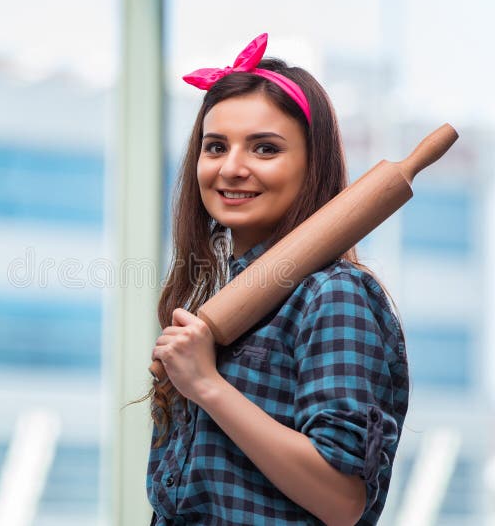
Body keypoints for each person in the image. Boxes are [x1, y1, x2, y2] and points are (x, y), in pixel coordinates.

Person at [146, 33, 409, 525]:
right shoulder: (223, 299)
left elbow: (342, 500)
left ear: (312, 165)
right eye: (215, 146)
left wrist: (207, 385)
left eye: (265, 149)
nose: (232, 167)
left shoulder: (334, 296)